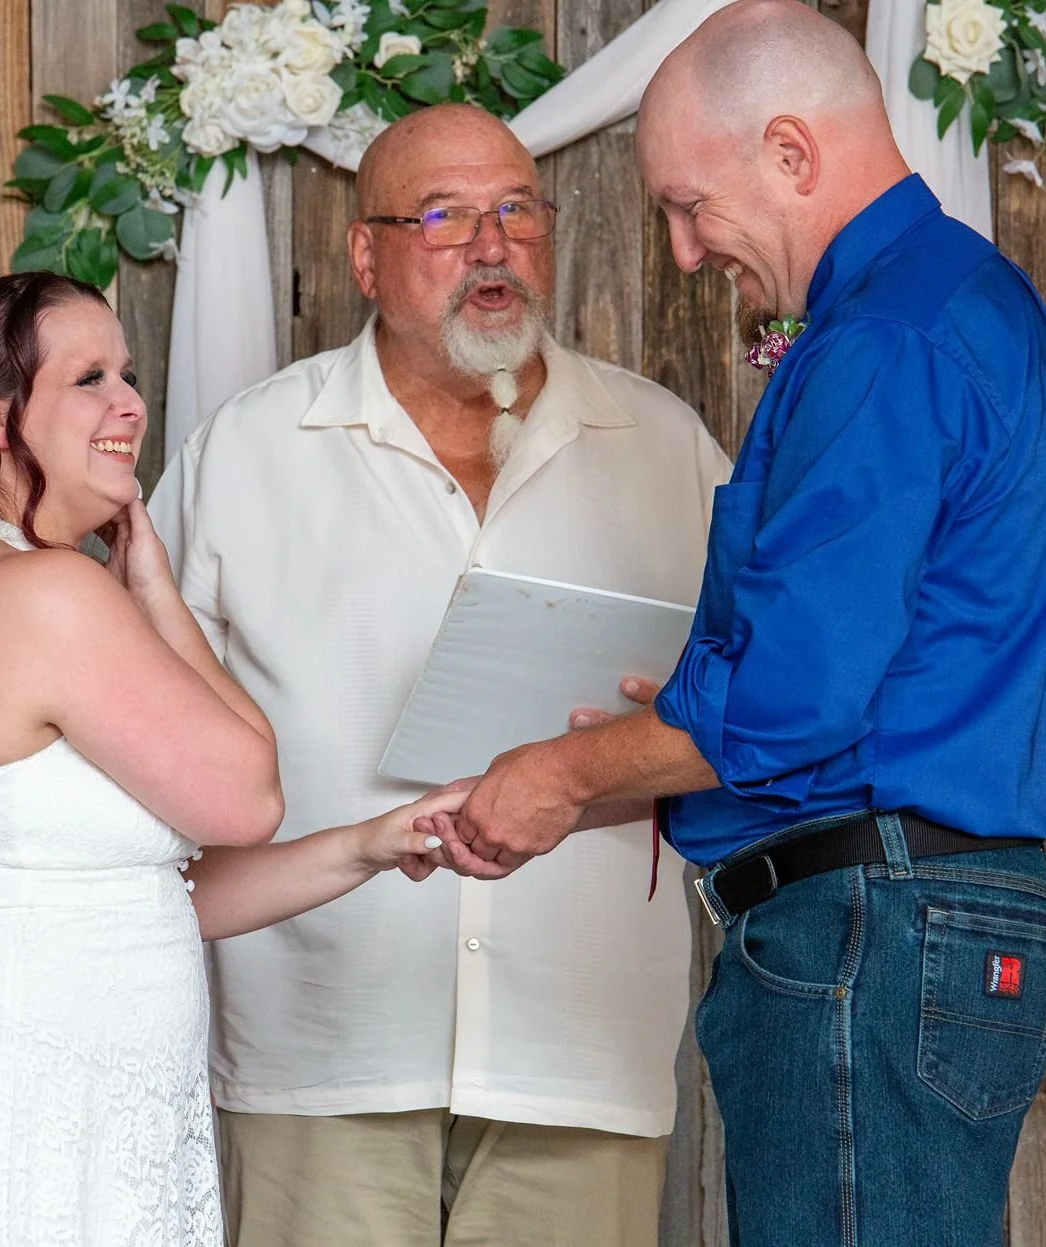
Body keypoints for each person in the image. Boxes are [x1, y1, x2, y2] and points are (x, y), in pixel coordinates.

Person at [428, 4, 1046, 1245]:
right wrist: (659, 748)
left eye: (691, 206)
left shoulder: (881, 339)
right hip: (928, 911)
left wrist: (563, 772)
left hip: (870, 927)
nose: (686, 253)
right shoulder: (961, 303)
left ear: (792, 154)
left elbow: (795, 701)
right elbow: (869, 670)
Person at [149, 103, 729, 1247]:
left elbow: (763, 698)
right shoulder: (246, 451)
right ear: (364, 253)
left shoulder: (670, 449)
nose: (491, 245)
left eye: (518, 210)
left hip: (582, 1048)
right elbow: (141, 723)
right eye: (445, 216)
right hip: (321, 1045)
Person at [0, 272, 463, 1246]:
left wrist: (367, 843)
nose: (131, 401)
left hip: (2, 1067)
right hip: (44, 1095)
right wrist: (158, 592)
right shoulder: (52, 595)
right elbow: (247, 794)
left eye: (128, 370)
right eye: (89, 378)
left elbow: (135, 898)